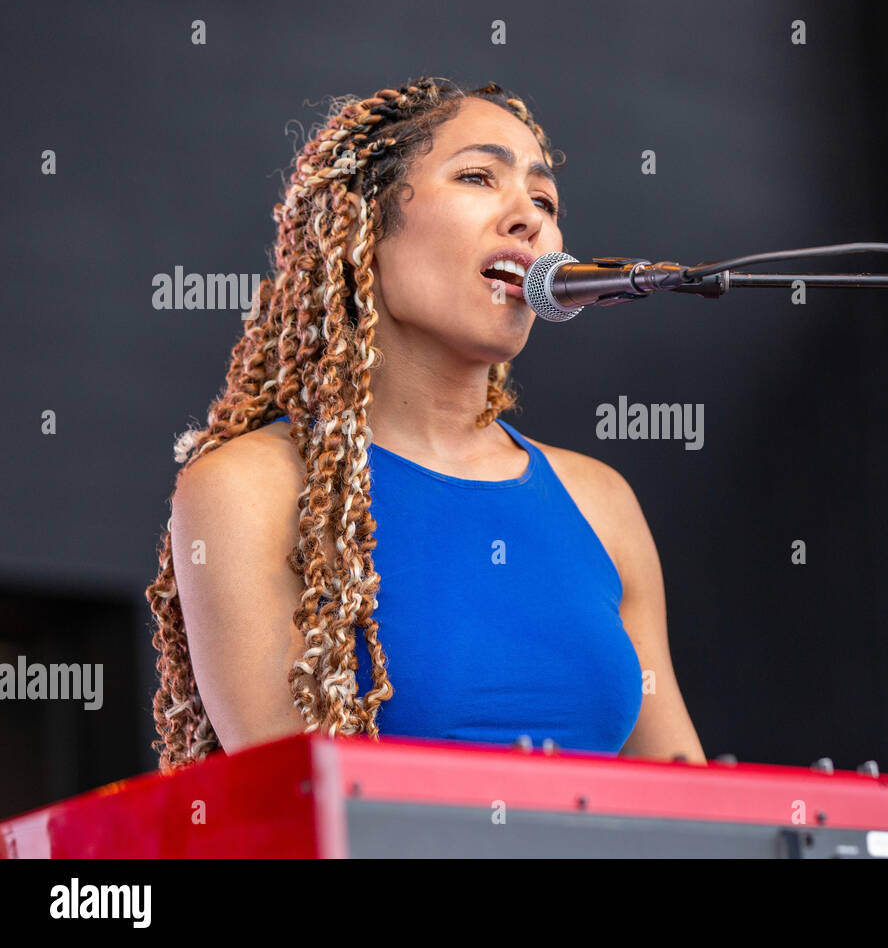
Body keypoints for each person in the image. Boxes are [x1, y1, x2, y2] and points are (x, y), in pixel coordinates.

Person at [146, 76, 705, 773]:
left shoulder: (602, 501)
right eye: (478, 176)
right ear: (361, 226)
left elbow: (686, 791)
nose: (529, 217)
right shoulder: (245, 488)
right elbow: (294, 803)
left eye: (545, 200)